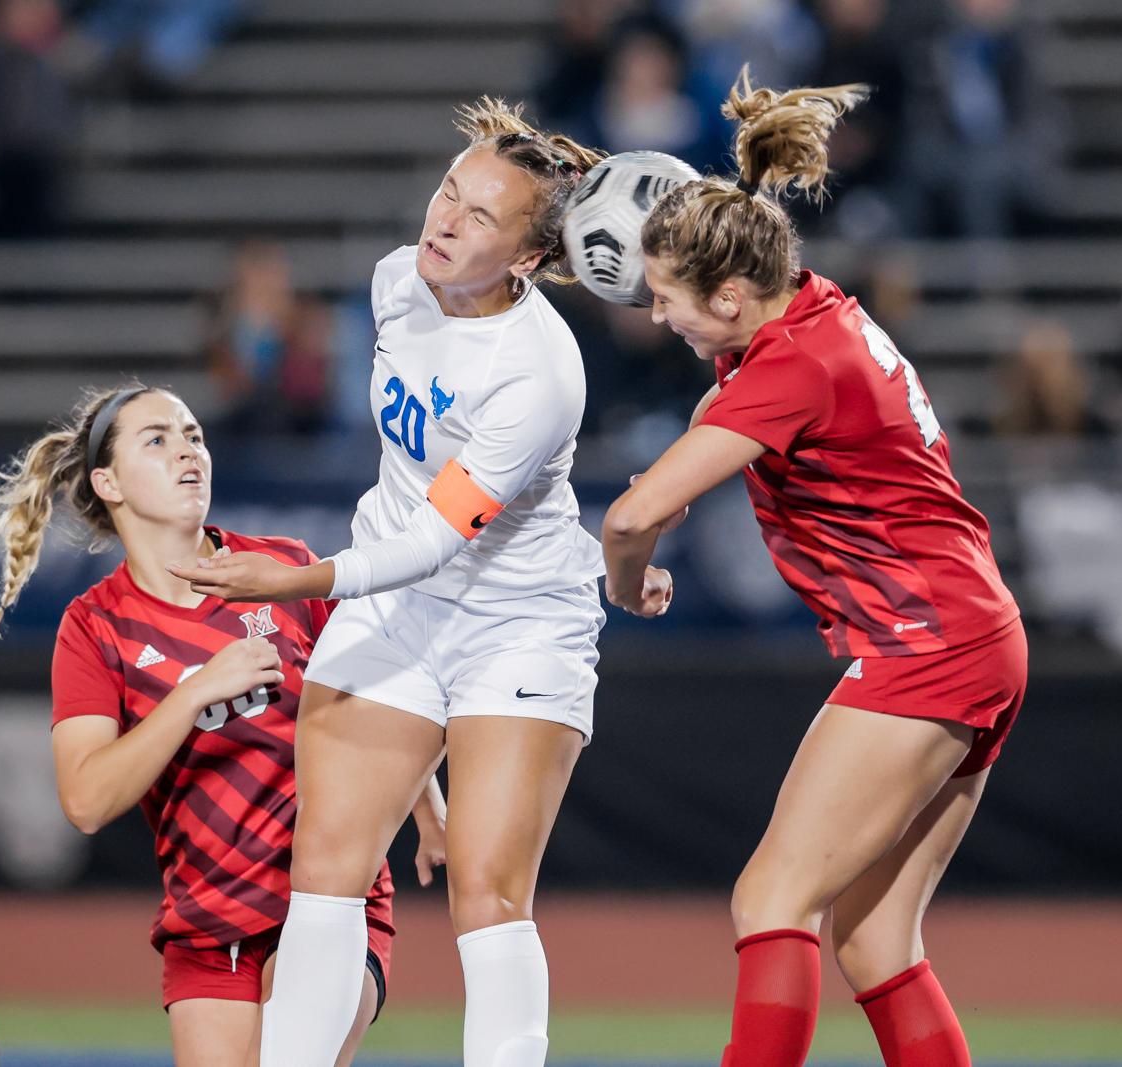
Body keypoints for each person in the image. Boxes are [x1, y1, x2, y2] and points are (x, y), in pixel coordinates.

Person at [167, 99, 617, 1067]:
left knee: (486, 895)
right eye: (448, 192)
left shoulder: (540, 370)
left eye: (481, 217)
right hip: (396, 609)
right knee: (322, 871)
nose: (445, 221)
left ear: (529, 259)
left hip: (515, 623)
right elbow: (404, 510)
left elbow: (439, 535)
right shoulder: (393, 284)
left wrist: (300, 579)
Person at [601, 74, 1026, 1067]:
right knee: (875, 940)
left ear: (732, 294)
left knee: (770, 897)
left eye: (668, 300)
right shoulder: (810, 314)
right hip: (976, 632)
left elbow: (628, 515)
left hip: (926, 641)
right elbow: (713, 429)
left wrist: (629, 576)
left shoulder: (788, 363)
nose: (659, 318)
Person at [0, 384, 447, 1067]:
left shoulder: (281, 565)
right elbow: (85, 799)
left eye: (193, 433)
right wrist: (195, 692)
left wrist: (429, 804)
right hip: (207, 922)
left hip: (326, 895)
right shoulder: (94, 626)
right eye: (158, 439)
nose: (187, 450)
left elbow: (375, 684)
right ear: (107, 482)